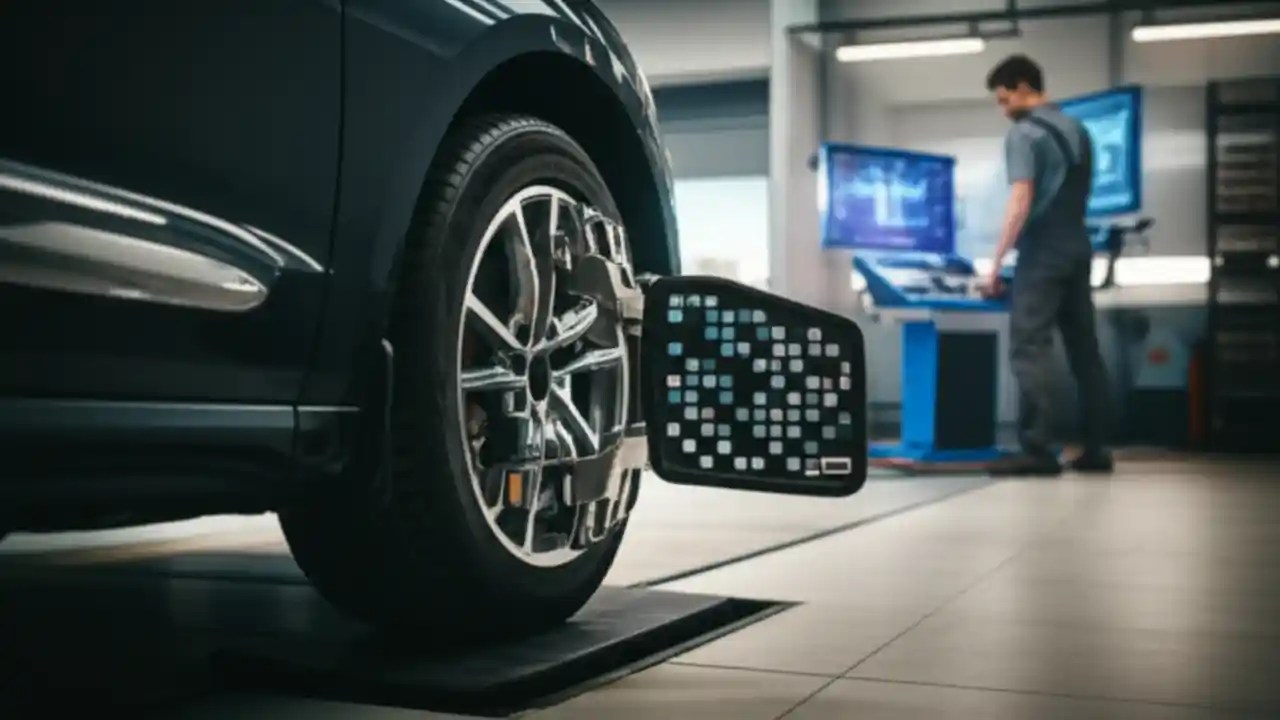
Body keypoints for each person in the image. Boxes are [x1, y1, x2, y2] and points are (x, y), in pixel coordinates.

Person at [979, 54, 1113, 476]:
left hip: (1043, 250)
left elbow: (1021, 200)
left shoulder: (1025, 133)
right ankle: (1097, 449)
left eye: (1004, 100)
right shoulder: (1080, 130)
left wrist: (996, 263)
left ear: (1022, 87)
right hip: (1078, 245)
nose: (1004, 110)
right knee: (1084, 352)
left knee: (1028, 347)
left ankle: (1037, 451)